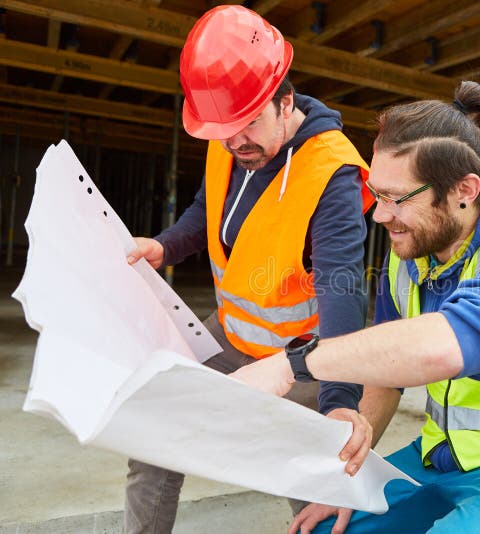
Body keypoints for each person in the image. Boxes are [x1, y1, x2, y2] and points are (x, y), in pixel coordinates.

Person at [231, 80, 480, 533]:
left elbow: (446, 345)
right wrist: (346, 472)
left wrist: (293, 363)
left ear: (464, 189)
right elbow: (386, 377)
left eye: (395, 198)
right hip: (438, 457)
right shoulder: (409, 255)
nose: (379, 214)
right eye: (376, 193)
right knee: (330, 526)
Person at [122, 6, 374, 533]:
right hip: (231, 335)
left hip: (303, 355)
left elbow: (343, 290)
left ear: (286, 102)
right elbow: (206, 211)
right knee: (153, 432)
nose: (237, 143)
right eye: (225, 132)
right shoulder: (230, 141)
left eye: (249, 125)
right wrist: (164, 248)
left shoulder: (330, 172)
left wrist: (339, 400)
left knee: (315, 485)